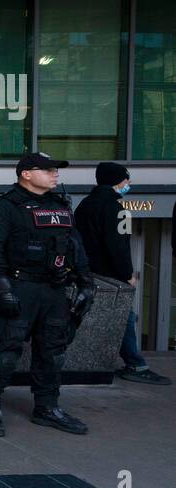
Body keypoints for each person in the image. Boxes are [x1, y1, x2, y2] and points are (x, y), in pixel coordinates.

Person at [0, 152, 95, 436]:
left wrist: (85, 282)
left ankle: (47, 407)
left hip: (54, 289)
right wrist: (2, 286)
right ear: (26, 174)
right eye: (49, 169)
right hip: (20, 287)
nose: (55, 174)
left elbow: (74, 247)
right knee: (5, 350)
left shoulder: (60, 206)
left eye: (56, 170)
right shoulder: (6, 207)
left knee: (53, 352)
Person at [75, 162, 169, 385]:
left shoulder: (84, 205)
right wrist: (128, 275)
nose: (129, 184)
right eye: (127, 179)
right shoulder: (118, 209)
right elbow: (119, 247)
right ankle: (136, 364)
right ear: (117, 181)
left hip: (87, 273)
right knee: (125, 318)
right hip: (110, 276)